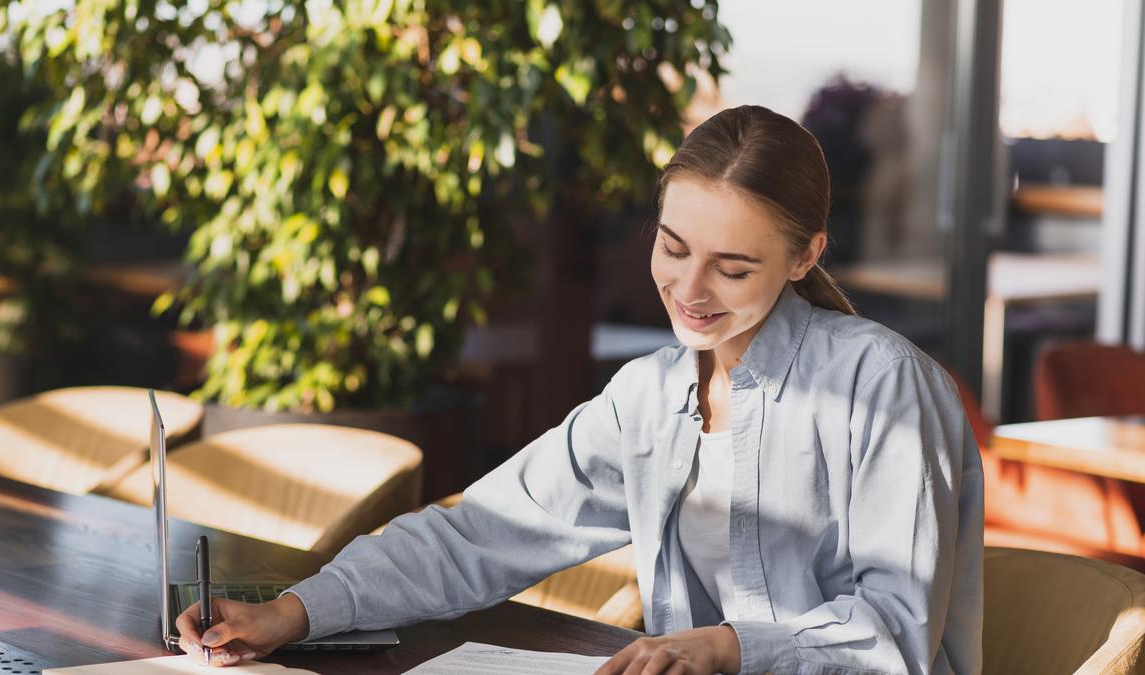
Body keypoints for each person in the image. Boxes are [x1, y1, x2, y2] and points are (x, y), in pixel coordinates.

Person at [176, 105, 984, 674]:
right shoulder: (648, 398)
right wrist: (294, 612)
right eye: (673, 248)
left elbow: (894, 639)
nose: (690, 289)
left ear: (806, 256)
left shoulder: (881, 386)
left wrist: (728, 644)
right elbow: (477, 536)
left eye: (733, 267)